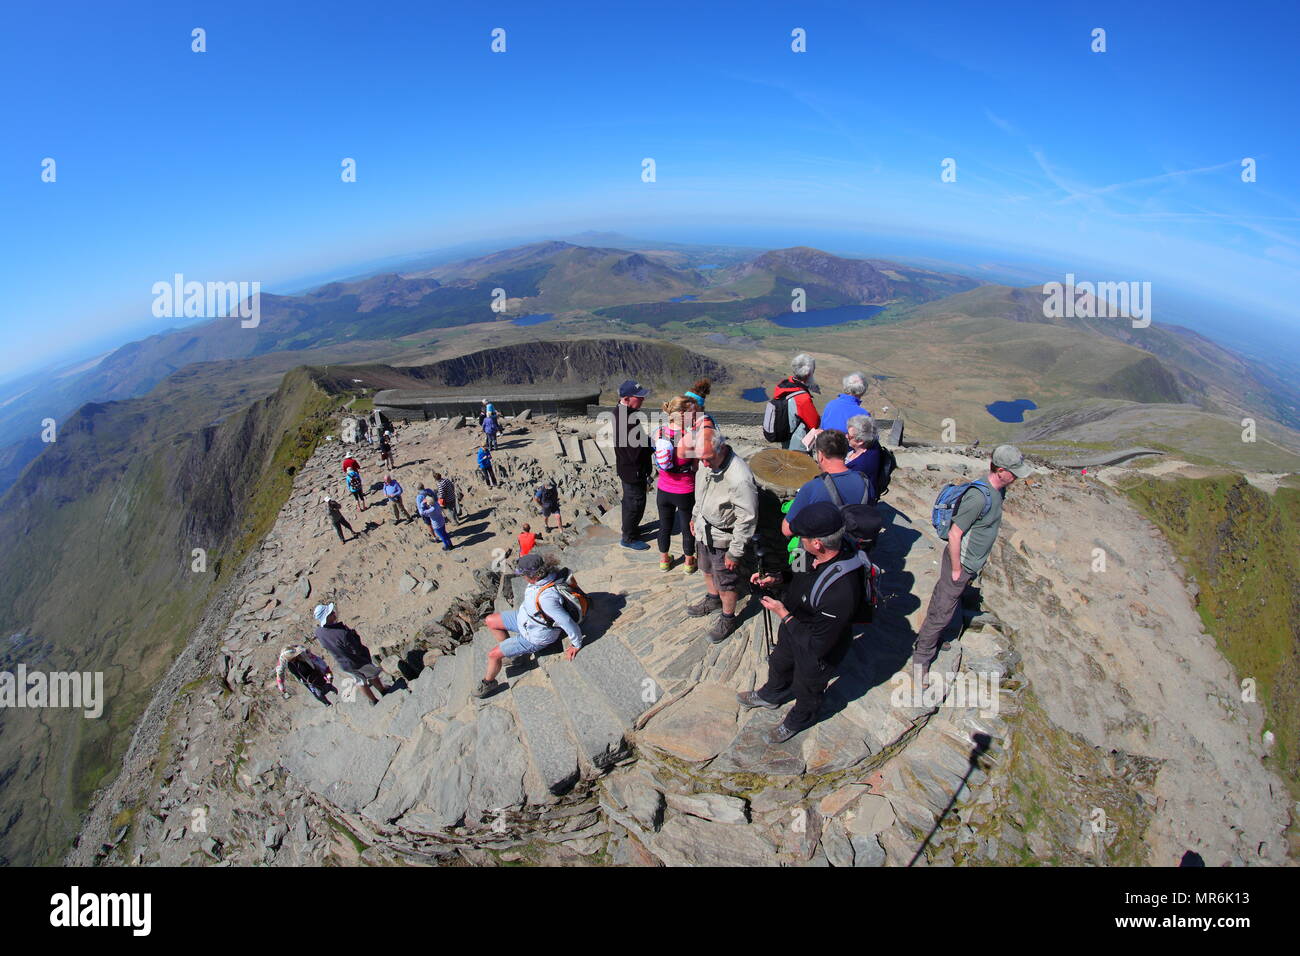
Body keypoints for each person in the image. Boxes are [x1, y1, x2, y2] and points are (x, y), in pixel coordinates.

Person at [738, 502, 866, 743]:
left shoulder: (842, 590)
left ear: (818, 542)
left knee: (807, 685)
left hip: (819, 644)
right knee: (780, 660)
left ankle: (801, 717)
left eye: (803, 537)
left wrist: (783, 614)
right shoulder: (808, 553)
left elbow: (818, 646)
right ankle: (772, 694)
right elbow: (795, 574)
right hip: (795, 623)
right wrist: (776, 578)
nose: (799, 540)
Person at [911, 445, 1031, 683]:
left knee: (943, 602)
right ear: (1000, 470)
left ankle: (929, 640)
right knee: (943, 611)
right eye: (1014, 472)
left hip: (969, 563)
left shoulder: (997, 491)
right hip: (962, 563)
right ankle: (921, 660)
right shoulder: (978, 497)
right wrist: (957, 569)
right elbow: (955, 534)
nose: (1017, 476)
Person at [473, 553, 584, 698]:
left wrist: (576, 643)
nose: (522, 577)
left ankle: (488, 683)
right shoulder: (543, 578)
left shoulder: (547, 598)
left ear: (533, 575)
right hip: (525, 619)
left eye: (523, 573)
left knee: (493, 655)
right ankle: (515, 656)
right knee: (490, 620)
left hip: (535, 635)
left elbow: (566, 621)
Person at [688, 428, 759, 643]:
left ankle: (728, 617)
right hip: (704, 528)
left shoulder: (739, 478)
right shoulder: (707, 460)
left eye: (708, 459)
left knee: (727, 582)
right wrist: (694, 516)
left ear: (722, 448)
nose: (704, 464)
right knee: (706, 568)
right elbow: (701, 490)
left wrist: (735, 552)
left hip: (723, 538)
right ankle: (712, 599)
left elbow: (747, 518)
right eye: (701, 459)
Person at [782, 430, 873, 535]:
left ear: (820, 455)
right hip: (854, 545)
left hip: (824, 547)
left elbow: (787, 530)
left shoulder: (812, 487)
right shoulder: (865, 481)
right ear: (845, 452)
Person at [653, 395, 699, 574]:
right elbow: (695, 466)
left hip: (663, 489)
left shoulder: (658, 432)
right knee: (688, 527)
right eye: (690, 412)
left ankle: (664, 561)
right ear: (682, 414)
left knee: (664, 526)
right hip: (685, 490)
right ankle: (689, 562)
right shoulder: (689, 437)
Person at [313, 603, 389, 705]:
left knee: (359, 681)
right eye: (331, 613)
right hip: (357, 661)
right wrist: (354, 636)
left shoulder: (319, 632)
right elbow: (356, 650)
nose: (334, 613)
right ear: (328, 618)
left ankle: (373, 700)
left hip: (343, 663)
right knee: (372, 674)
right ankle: (383, 691)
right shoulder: (342, 633)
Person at [612, 379, 653, 551]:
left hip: (626, 468)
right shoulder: (627, 420)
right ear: (627, 398)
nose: (643, 400)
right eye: (639, 397)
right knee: (635, 503)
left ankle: (631, 529)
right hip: (633, 470)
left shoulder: (620, 412)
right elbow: (635, 453)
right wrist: (652, 445)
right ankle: (628, 537)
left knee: (631, 501)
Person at [771, 353, 821, 451]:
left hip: (786, 442)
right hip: (799, 446)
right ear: (808, 374)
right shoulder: (802, 398)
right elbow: (814, 423)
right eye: (813, 371)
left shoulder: (784, 387)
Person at [845, 414, 885, 504]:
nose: (846, 436)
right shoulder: (872, 445)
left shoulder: (859, 465)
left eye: (849, 436)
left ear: (860, 441)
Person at [416, 484, 453, 549]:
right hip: (442, 521)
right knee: (445, 533)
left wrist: (422, 504)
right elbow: (435, 498)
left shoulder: (431, 510)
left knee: (441, 536)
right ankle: (450, 544)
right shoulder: (437, 504)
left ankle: (447, 546)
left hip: (436, 524)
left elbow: (422, 512)